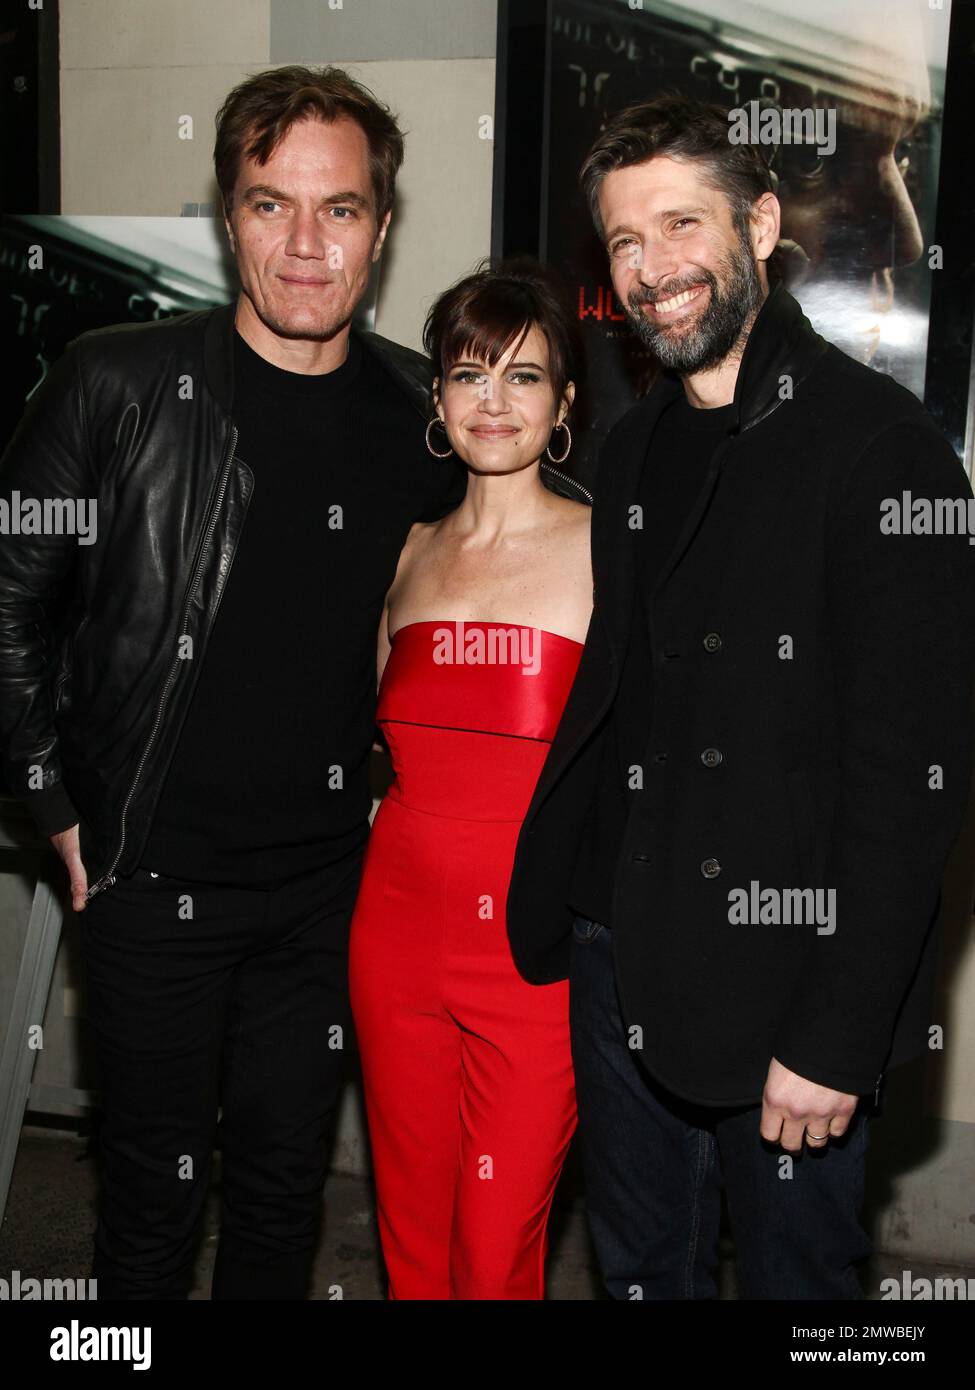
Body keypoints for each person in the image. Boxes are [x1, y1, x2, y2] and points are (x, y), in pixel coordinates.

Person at [0, 64, 467, 1299]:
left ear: (381, 224)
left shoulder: (423, 420)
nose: (306, 244)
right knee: (149, 1218)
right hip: (149, 884)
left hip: (327, 898)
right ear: (228, 217)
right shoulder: (116, 384)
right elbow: (6, 597)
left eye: (341, 209)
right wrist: (52, 802)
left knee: (280, 1202)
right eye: (271, 205)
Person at [506, 91, 975, 1300]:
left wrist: (837, 1034)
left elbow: (909, 784)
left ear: (760, 224)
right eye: (625, 241)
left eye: (681, 227)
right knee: (639, 1278)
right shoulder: (631, 448)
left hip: (785, 979)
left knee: (798, 1288)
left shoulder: (885, 453)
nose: (654, 271)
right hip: (619, 956)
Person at [348, 258, 593, 1299]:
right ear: (438, 399)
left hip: (532, 958)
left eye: (525, 376)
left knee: (494, 1252)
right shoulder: (406, 553)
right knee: (411, 1239)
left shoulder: (607, 554)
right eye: (468, 373)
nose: (495, 401)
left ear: (564, 401)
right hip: (393, 937)